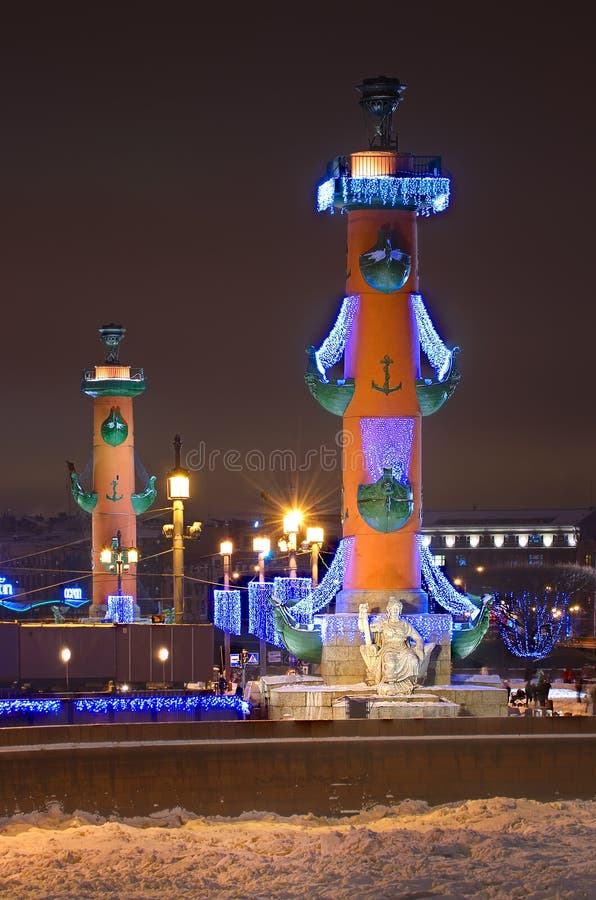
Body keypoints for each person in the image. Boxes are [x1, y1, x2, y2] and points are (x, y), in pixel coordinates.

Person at [359, 597, 424, 695]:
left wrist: (419, 646)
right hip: (389, 648)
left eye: (397, 609)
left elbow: (418, 637)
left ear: (400, 610)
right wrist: (362, 614)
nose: (395, 611)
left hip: (403, 648)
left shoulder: (405, 625)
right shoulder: (384, 623)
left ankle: (407, 684)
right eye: (393, 609)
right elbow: (363, 628)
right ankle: (390, 684)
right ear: (389, 610)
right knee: (391, 663)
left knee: (413, 660)